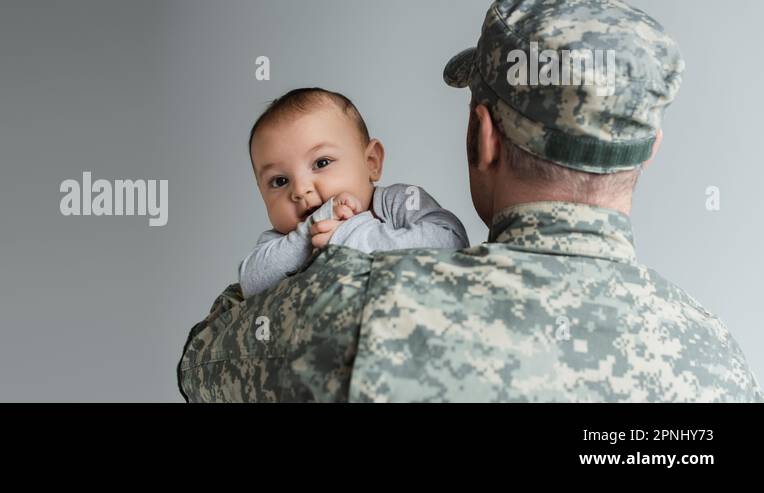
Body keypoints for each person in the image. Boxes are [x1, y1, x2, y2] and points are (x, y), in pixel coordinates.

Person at [177, 0, 763, 402]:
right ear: (648, 151)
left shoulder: (355, 302)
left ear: (481, 135)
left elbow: (202, 365)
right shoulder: (721, 359)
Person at [239, 88, 468, 298]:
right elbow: (251, 283)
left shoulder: (397, 202)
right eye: (280, 181)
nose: (300, 190)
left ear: (371, 162)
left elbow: (451, 241)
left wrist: (349, 235)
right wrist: (307, 235)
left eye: (321, 163)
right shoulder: (282, 241)